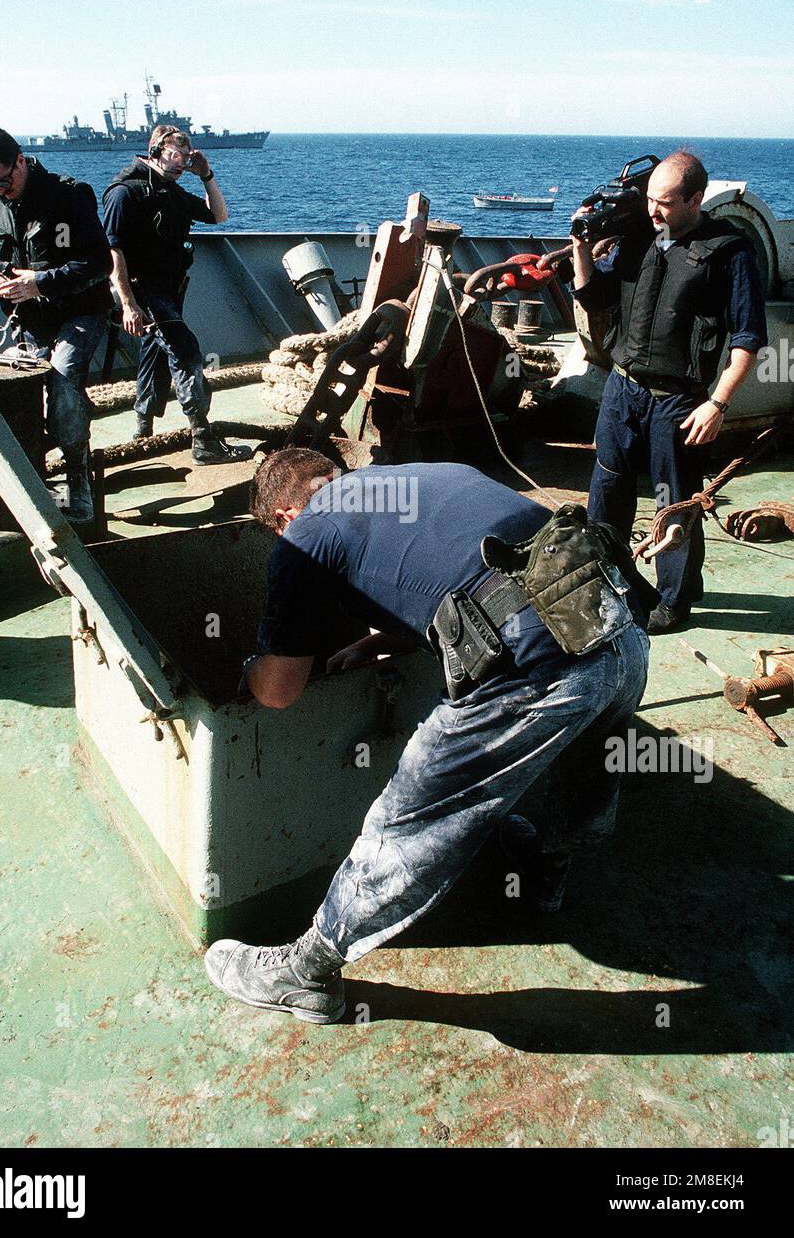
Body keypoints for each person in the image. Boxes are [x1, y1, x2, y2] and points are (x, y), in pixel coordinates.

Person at [204, 448, 653, 1025]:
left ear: (284, 517)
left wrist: (249, 669)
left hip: (533, 670)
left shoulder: (305, 535)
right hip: (618, 628)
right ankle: (545, 873)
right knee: (587, 765)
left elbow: (281, 689)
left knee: (410, 817)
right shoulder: (426, 475)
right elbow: (466, 573)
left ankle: (308, 971)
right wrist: (377, 641)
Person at [571, 150, 767, 633]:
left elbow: (748, 337)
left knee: (673, 500)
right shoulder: (640, 237)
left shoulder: (730, 251)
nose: (653, 211)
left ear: (696, 199)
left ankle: (674, 601)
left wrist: (717, 403)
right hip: (623, 389)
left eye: (664, 203)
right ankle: (608, 581)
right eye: (649, 201)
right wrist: (580, 247)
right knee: (608, 487)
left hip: (678, 400)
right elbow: (595, 297)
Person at [0, 125, 112, 521]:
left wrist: (41, 283)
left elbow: (99, 262)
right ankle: (34, 475)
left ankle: (76, 479)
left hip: (79, 314)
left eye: (4, 180)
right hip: (29, 323)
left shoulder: (68, 197)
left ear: (20, 160)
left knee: (63, 382)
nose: (0, 189)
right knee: (21, 391)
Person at [101, 124, 248, 465]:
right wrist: (128, 304)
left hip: (169, 289)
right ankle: (203, 439)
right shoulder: (126, 192)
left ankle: (142, 429)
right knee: (186, 352)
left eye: (186, 155)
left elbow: (218, 215)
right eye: (175, 155)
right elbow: (113, 251)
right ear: (155, 152)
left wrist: (206, 174)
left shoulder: (171, 192)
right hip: (144, 293)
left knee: (154, 356)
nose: (182, 162)